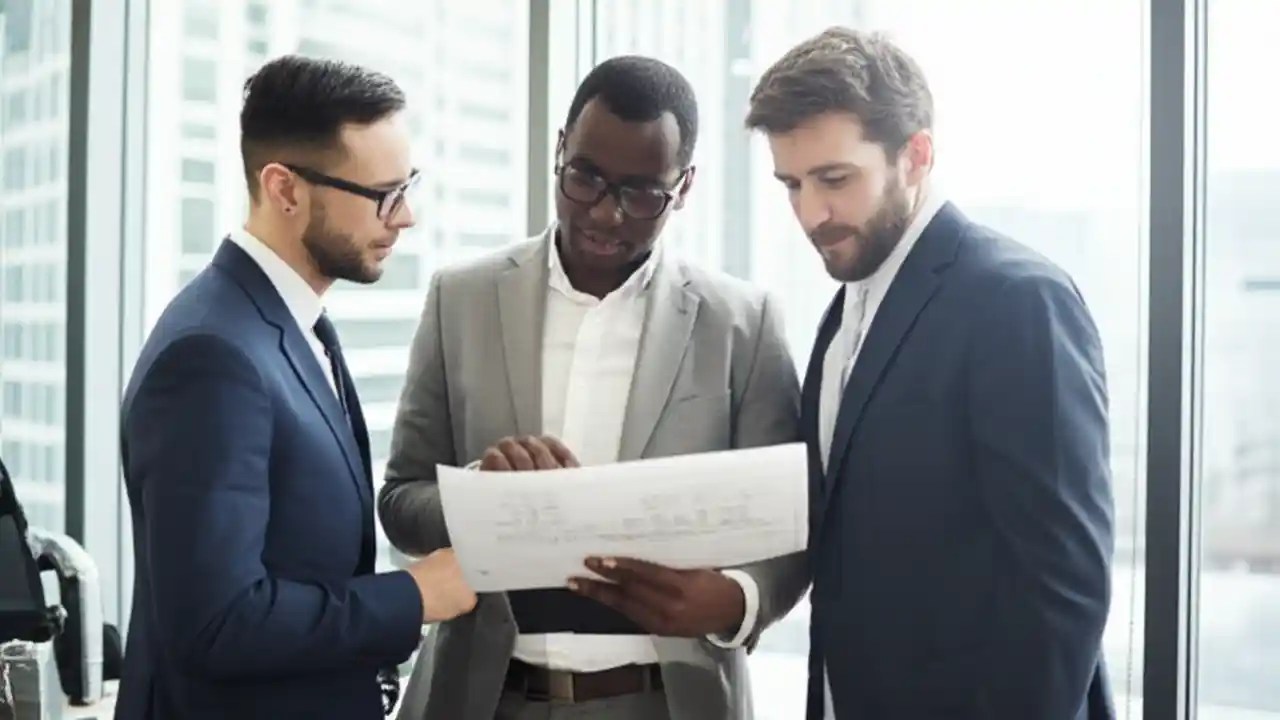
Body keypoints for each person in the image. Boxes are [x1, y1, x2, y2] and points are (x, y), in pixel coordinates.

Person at [380, 56, 807, 720]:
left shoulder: (743, 326)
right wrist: (478, 497)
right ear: (560, 153)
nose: (606, 216)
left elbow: (789, 527)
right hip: (483, 696)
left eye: (641, 194)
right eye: (585, 180)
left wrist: (736, 601)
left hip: (665, 702)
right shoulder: (459, 299)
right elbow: (402, 501)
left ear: (684, 186)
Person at [745, 28, 1116, 720]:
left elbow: (1063, 587)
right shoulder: (845, 310)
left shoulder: (1017, 300)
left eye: (834, 179)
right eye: (791, 185)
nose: (810, 214)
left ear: (916, 156)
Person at [116, 55, 477, 720]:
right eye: (383, 196)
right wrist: (414, 597)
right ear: (284, 189)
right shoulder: (212, 356)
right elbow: (216, 622)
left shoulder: (287, 321)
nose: (406, 218)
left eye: (409, 186)